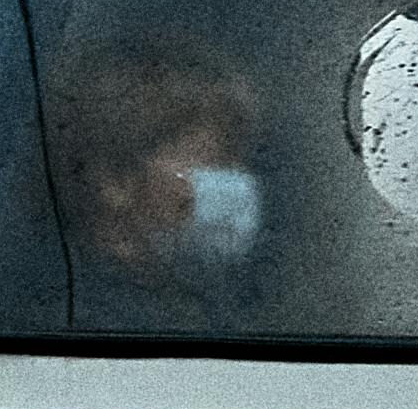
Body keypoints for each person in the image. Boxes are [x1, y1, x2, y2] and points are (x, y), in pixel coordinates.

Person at [47, 36, 277, 332]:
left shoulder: (177, 305)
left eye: (242, 161)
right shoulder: (88, 323)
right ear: (115, 179)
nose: (241, 182)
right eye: (220, 161)